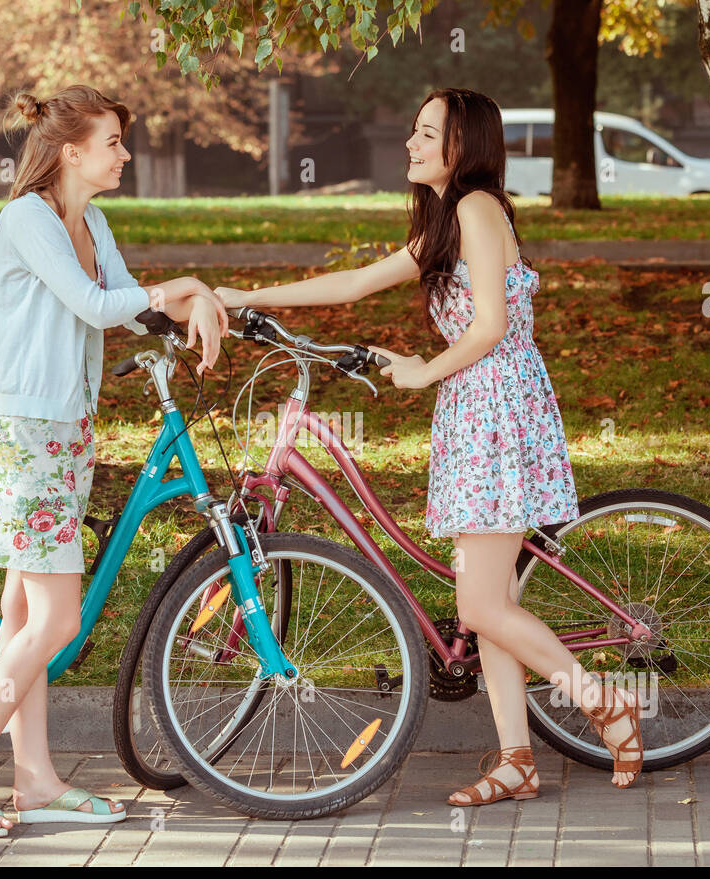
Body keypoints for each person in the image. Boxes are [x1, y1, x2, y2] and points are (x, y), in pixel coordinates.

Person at [216, 88, 643, 807]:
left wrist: (419, 372)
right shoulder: (450, 218)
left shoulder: (477, 208)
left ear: (462, 145)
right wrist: (240, 297)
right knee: (490, 599)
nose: (410, 145)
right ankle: (517, 762)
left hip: (495, 411)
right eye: (413, 131)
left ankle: (604, 701)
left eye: (425, 133)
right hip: (476, 410)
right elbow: (354, 284)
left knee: (479, 606)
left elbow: (490, 327)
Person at [0, 85, 228, 836]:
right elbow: (94, 306)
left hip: (65, 428)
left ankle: (34, 778)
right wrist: (188, 283)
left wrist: (196, 306)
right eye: (112, 143)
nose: (123, 154)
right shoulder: (27, 219)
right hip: (29, 431)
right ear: (71, 152)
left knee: (25, 617)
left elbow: (131, 305)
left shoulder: (89, 220)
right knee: (57, 620)